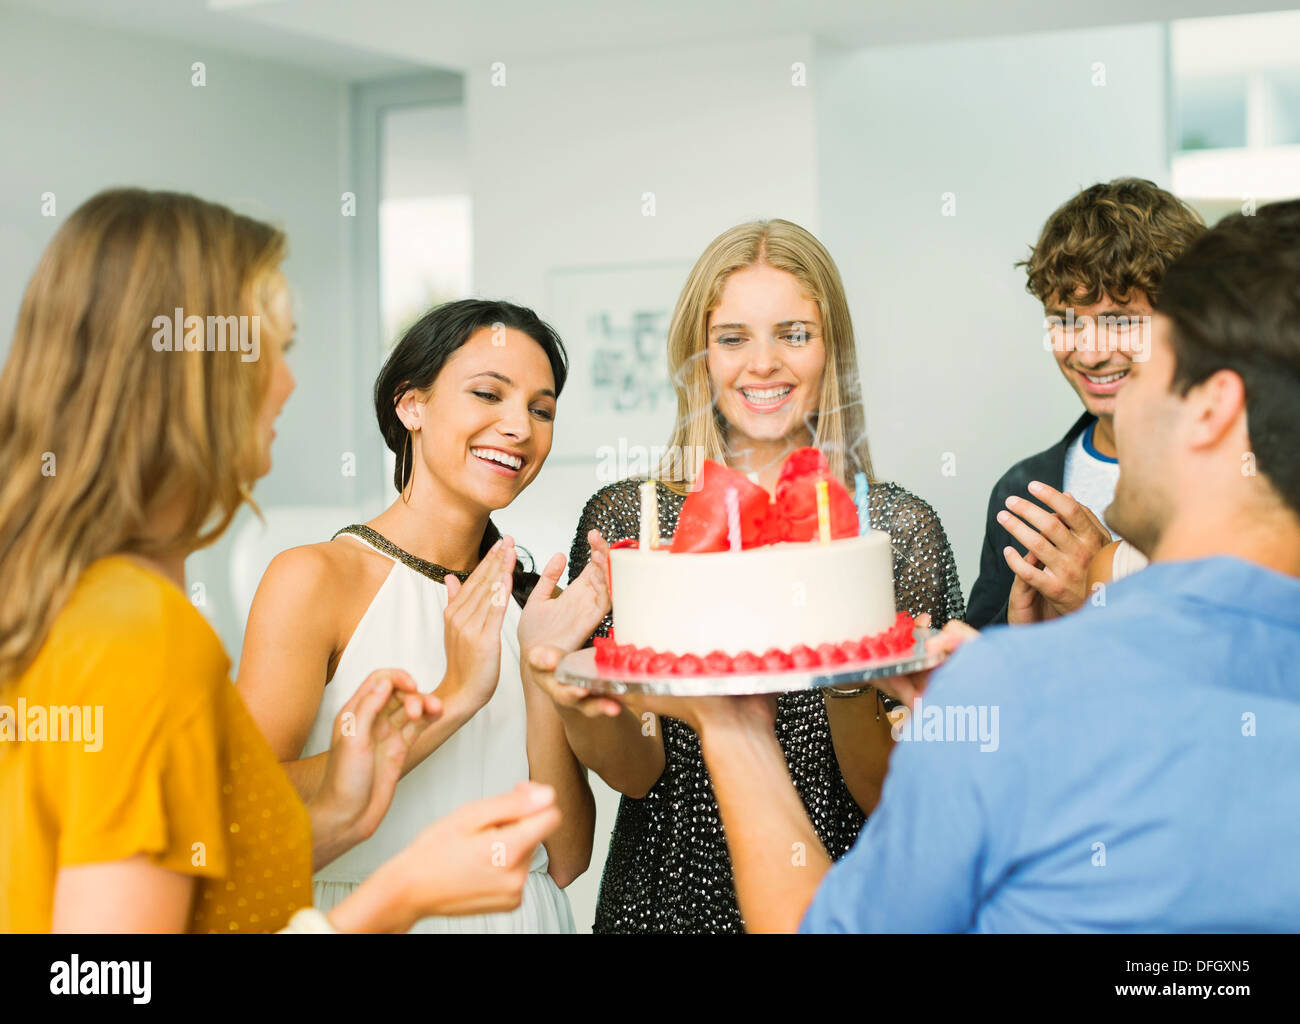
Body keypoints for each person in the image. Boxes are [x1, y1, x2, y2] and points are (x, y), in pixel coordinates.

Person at [534, 198, 1300, 933]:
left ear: (1214, 409)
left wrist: (989, 700)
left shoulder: (961, 606)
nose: (1108, 392)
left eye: (1144, 367)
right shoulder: (1034, 680)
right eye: (732, 337)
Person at [0, 188, 561, 933]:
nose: (289, 382)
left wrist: (339, 810)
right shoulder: (136, 634)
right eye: (278, 348)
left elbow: (209, 906)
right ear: (190, 372)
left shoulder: (91, 605)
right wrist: (400, 898)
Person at [527, 218, 966, 933]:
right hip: (661, 901)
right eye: (733, 338)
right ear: (700, 356)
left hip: (837, 900)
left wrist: (849, 667)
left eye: (793, 334)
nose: (762, 364)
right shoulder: (629, 518)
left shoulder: (895, 530)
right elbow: (635, 772)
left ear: (831, 351)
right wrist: (568, 693)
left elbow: (887, 793)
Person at [236, 300, 610, 933]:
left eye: (540, 409)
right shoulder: (314, 579)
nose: (518, 426)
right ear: (411, 405)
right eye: (489, 394)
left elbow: (567, 858)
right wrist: (454, 697)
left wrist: (541, 672)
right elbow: (246, 805)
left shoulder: (530, 602)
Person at [966, 178, 1205, 628]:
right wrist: (1021, 638)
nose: (1090, 353)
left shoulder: (1250, 480)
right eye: (1065, 322)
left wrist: (1099, 597)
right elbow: (991, 675)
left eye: (1119, 322)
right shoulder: (1023, 494)